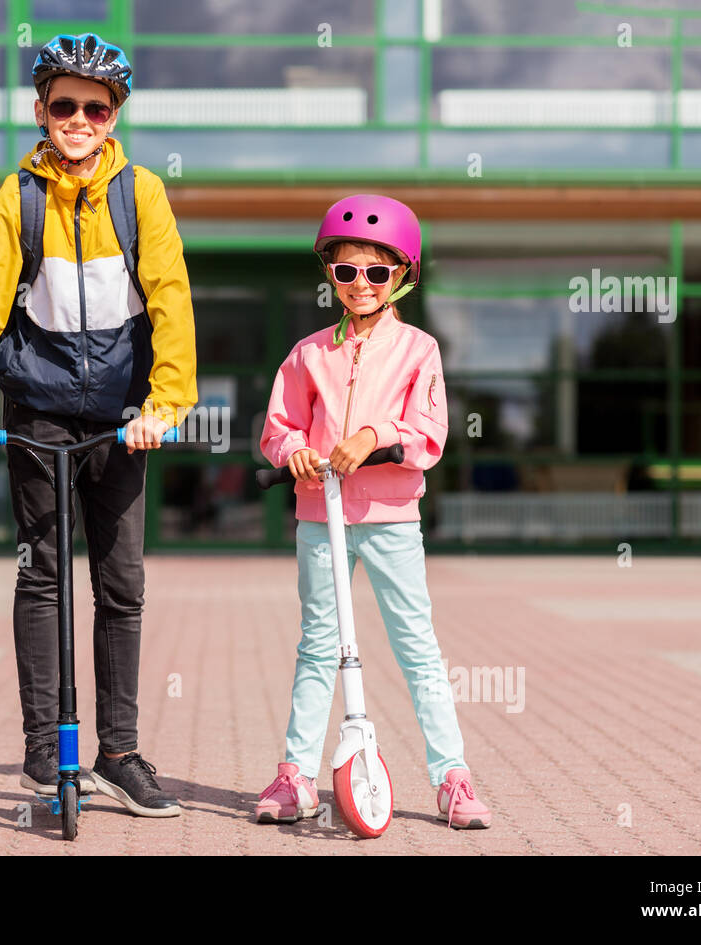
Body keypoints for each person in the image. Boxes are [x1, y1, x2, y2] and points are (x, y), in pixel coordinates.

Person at [0, 33, 197, 817]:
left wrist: (164, 405)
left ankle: (118, 751)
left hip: (120, 418)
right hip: (39, 411)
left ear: (113, 117)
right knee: (41, 574)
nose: (78, 118)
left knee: (122, 583)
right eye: (63, 105)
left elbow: (172, 300)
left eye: (95, 106)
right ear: (41, 110)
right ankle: (46, 746)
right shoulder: (21, 196)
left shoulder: (139, 192)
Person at [255, 195, 491, 829]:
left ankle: (451, 779)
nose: (360, 284)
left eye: (376, 272)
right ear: (330, 275)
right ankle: (296, 776)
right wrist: (296, 451)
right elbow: (277, 428)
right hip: (319, 518)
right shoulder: (307, 354)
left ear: (402, 277)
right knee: (317, 647)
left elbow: (428, 435)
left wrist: (375, 438)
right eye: (346, 270)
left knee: (416, 646)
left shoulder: (419, 350)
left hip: (390, 518)